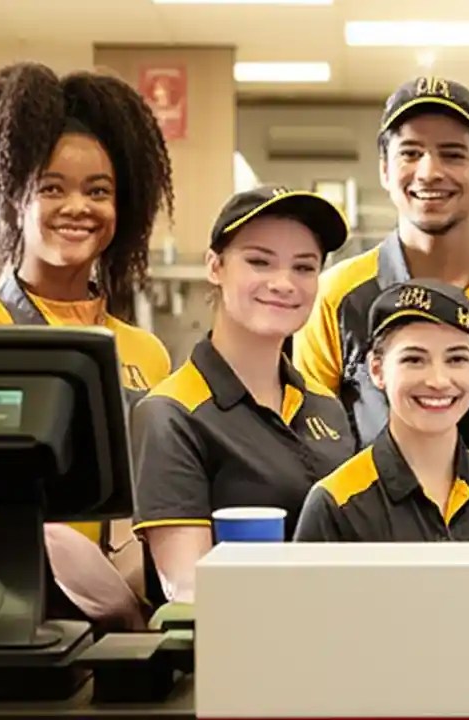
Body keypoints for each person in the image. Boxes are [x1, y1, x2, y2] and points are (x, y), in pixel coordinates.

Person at [0, 61, 175, 627]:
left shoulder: (147, 353)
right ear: (10, 195)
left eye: (99, 190)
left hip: (126, 624)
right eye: (51, 187)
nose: (78, 207)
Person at [293, 76, 469, 449]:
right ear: (385, 171)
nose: (429, 172)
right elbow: (313, 446)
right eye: (410, 153)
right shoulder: (335, 297)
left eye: (452, 154)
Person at [131, 187, 356, 602]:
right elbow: (189, 589)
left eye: (304, 267)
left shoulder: (326, 407)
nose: (284, 283)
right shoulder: (171, 415)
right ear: (215, 266)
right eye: (258, 261)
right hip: (231, 655)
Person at [295, 279, 469, 541]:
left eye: (456, 359)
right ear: (376, 370)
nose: (438, 381)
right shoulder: (338, 503)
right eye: (414, 360)